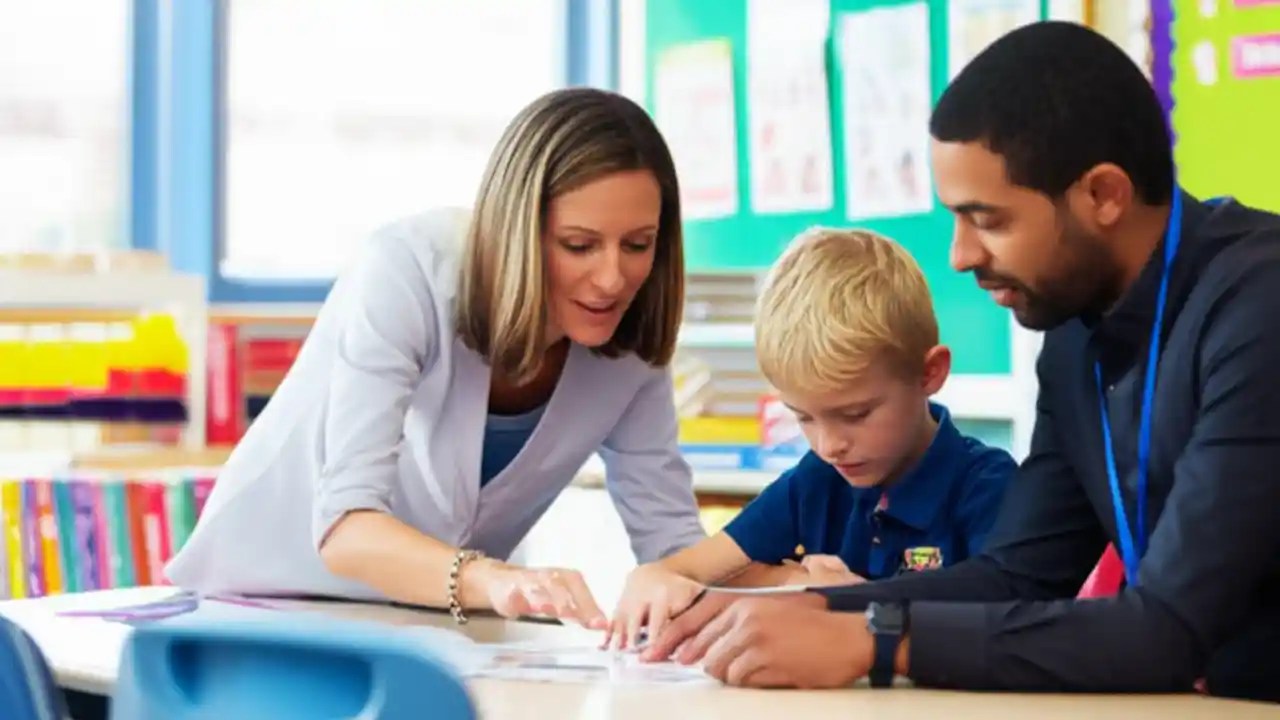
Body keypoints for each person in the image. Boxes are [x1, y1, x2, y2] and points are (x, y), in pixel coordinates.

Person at [641, 21, 1280, 702]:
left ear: (1102, 195)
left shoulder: (1259, 306)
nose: (960, 255)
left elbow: (1167, 632)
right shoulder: (1073, 335)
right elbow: (1018, 576)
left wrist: (876, 637)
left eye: (990, 220)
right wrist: (809, 611)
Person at [166, 87, 707, 628]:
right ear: (517, 231)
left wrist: (766, 586)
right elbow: (347, 529)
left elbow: (673, 545)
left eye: (638, 245)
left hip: (435, 621)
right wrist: (496, 580)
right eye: (578, 245)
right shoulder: (410, 270)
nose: (613, 278)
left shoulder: (630, 339)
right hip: (264, 602)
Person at [605, 228, 1014, 649]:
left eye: (856, 415)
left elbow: (1010, 619)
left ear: (929, 374)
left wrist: (857, 601)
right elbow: (697, 567)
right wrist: (654, 576)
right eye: (804, 418)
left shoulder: (987, 485)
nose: (828, 445)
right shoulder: (818, 479)